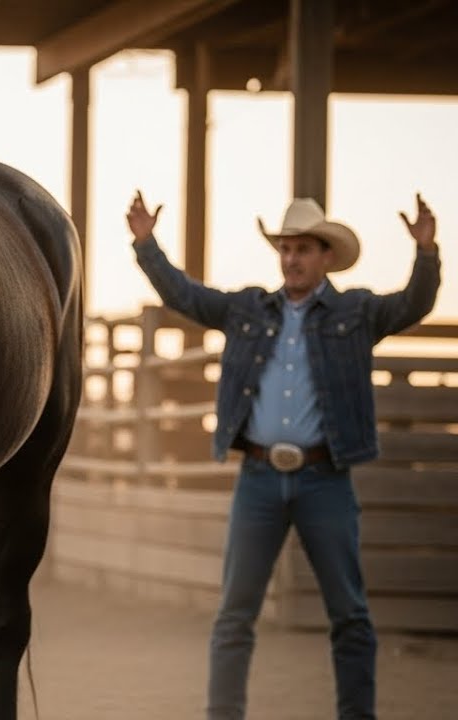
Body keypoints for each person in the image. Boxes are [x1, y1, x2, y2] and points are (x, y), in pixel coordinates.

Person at [126, 191, 440, 719]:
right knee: (234, 616)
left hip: (325, 479)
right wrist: (145, 243)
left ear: (327, 257)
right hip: (259, 479)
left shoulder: (355, 311)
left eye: (303, 249)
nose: (291, 258)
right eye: (285, 248)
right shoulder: (248, 308)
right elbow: (185, 295)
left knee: (350, 615)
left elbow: (413, 304)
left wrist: (426, 253)